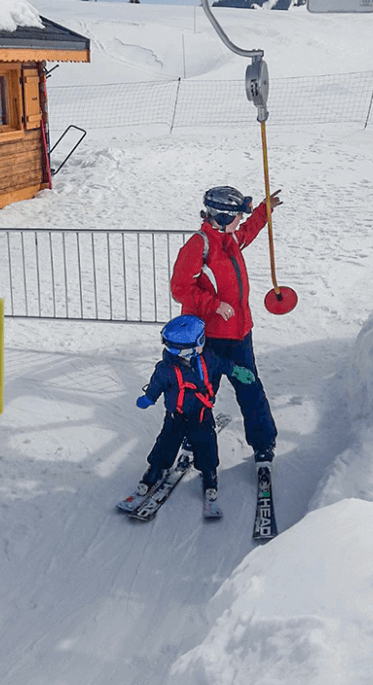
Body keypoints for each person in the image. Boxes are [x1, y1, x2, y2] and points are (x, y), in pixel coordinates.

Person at [170, 185, 281, 467]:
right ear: (220, 217)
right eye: (236, 217)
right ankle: (193, 437)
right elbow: (180, 287)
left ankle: (263, 443)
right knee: (203, 390)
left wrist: (263, 211)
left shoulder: (230, 239)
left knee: (250, 388)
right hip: (210, 338)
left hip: (240, 333)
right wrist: (213, 305)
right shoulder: (199, 245)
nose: (240, 223)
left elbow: (249, 232)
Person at [118, 315, 221, 517]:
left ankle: (209, 472)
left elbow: (224, 365)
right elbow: (156, 385)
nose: (204, 343)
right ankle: (156, 469)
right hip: (176, 415)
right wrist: (148, 398)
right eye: (201, 340)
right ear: (188, 348)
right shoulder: (166, 369)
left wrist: (237, 371)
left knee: (206, 442)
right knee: (166, 443)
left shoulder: (208, 359)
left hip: (201, 414)